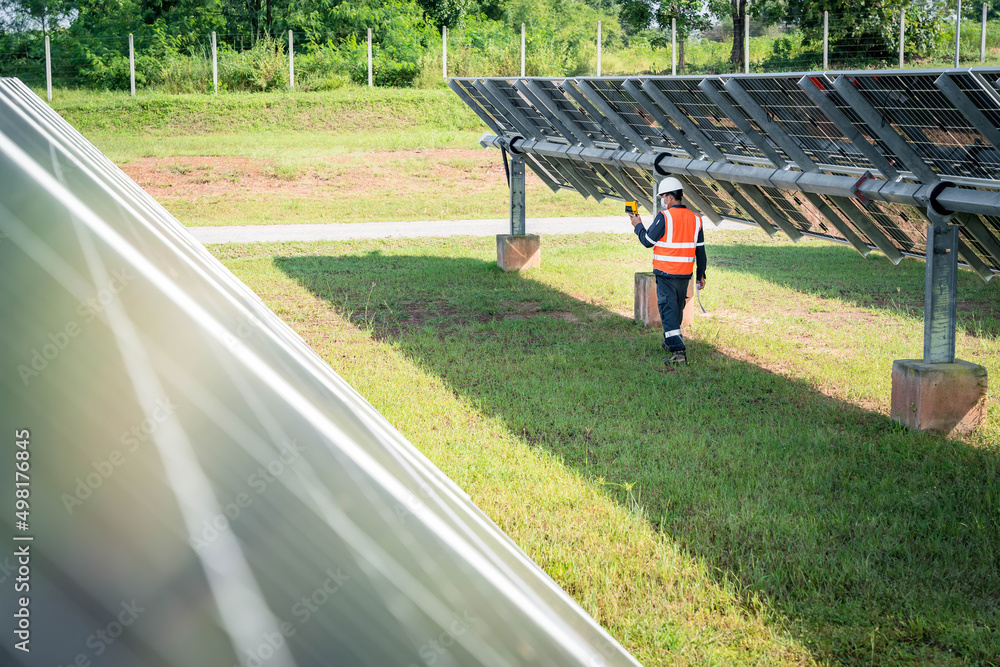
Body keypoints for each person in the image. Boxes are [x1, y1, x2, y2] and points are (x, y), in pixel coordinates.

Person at [629, 176, 707, 365]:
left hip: (666, 275)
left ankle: (678, 352)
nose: (663, 201)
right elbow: (701, 249)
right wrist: (701, 274)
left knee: (668, 312)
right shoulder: (696, 219)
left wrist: (637, 225)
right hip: (684, 276)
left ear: (671, 198)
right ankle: (670, 340)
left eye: (664, 197)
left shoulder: (665, 217)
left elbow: (647, 241)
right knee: (676, 312)